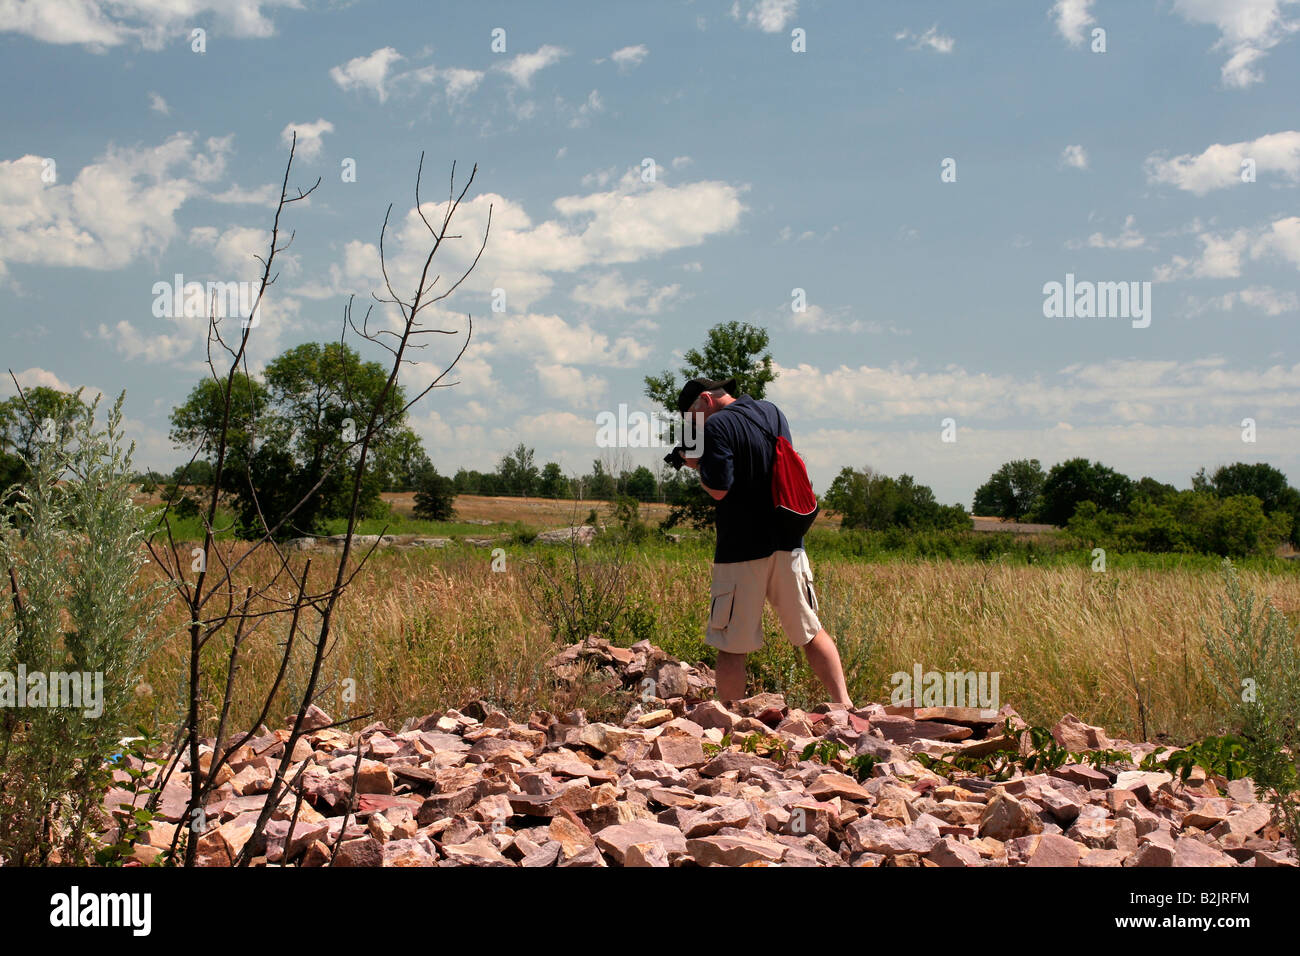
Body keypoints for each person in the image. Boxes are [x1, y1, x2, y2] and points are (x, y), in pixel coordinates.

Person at [675, 377, 853, 707]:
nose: (693, 425)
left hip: (741, 550)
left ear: (705, 401)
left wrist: (695, 464)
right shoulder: (772, 413)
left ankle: (731, 724)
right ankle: (846, 707)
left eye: (691, 417)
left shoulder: (717, 427)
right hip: (789, 540)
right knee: (811, 632)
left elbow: (719, 488)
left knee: (731, 645)